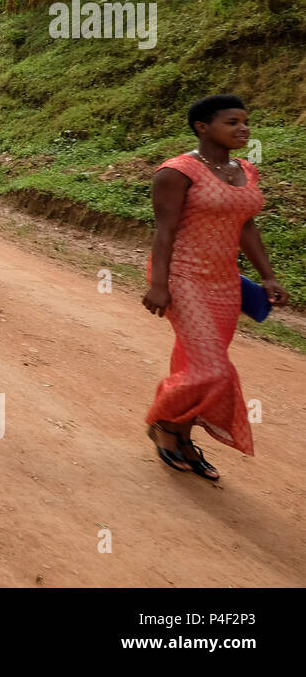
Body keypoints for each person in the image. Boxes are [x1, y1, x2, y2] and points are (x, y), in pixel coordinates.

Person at [142, 94, 287, 481]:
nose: (243, 128)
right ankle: (163, 423)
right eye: (232, 122)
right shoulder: (176, 172)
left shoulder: (246, 170)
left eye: (245, 121)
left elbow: (246, 225)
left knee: (195, 364)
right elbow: (164, 231)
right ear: (203, 127)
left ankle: (182, 437)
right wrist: (159, 284)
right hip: (182, 276)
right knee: (213, 369)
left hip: (224, 282)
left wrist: (268, 276)